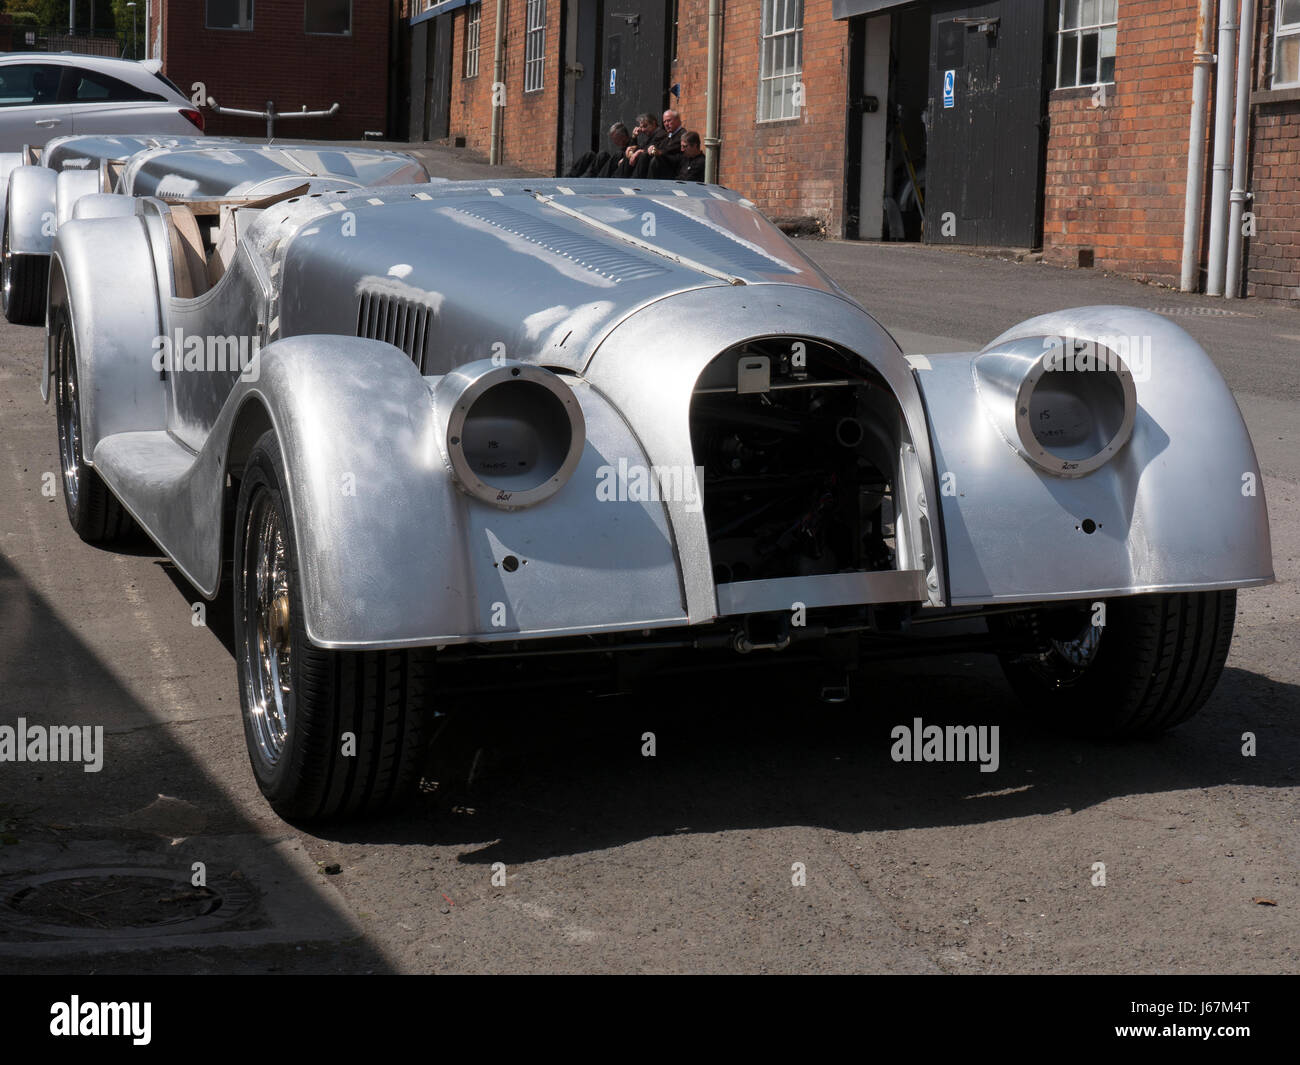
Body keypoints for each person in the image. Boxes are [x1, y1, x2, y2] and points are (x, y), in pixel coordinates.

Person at [566, 122, 631, 178]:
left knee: (604, 154)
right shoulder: (622, 147)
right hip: (610, 169)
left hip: (611, 176)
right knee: (590, 154)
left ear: (623, 137)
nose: (614, 141)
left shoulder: (632, 146)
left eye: (615, 138)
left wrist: (625, 159)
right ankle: (568, 178)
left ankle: (586, 178)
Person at [624, 113, 665, 179]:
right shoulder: (649, 137)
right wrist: (634, 137)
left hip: (655, 168)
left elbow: (650, 149)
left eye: (645, 126)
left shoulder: (660, 134)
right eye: (641, 127)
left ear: (654, 123)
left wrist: (638, 152)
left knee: (643, 155)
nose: (642, 130)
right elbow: (638, 148)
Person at [648, 110, 686, 179]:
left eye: (668, 121)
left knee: (655, 160)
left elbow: (670, 149)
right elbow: (661, 146)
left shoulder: (683, 134)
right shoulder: (669, 134)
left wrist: (658, 152)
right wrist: (653, 148)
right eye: (664, 122)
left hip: (675, 168)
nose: (666, 124)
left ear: (677, 120)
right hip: (666, 165)